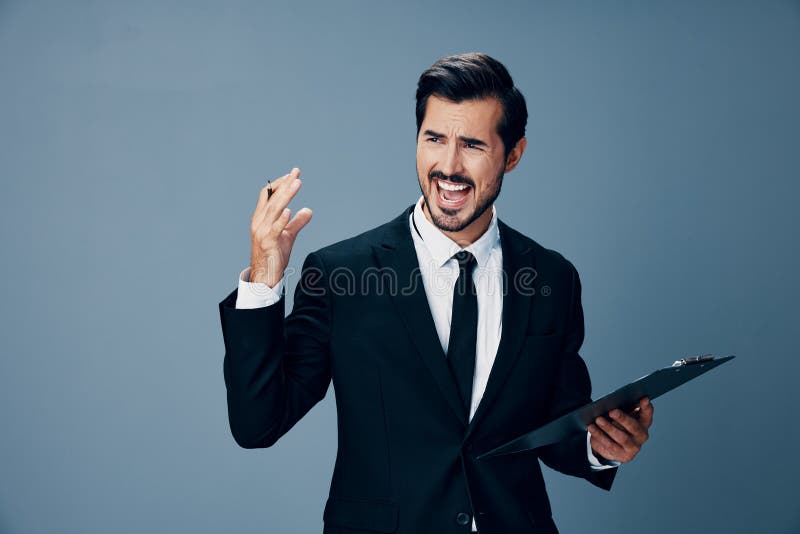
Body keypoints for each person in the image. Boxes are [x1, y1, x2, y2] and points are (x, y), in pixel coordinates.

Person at [218, 53, 654, 534]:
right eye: (434, 140)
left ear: (513, 154)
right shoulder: (340, 274)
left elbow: (552, 426)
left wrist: (600, 446)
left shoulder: (553, 277)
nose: (448, 166)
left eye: (472, 145)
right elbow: (257, 425)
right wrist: (264, 276)